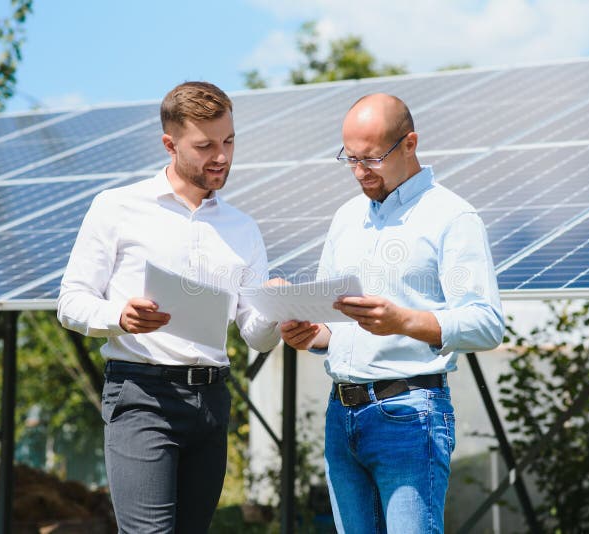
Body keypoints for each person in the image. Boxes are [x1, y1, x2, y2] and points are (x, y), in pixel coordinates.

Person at [57, 81, 281, 533]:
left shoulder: (243, 228)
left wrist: (278, 309)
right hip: (142, 396)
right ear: (169, 143)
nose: (222, 156)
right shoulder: (117, 208)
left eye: (229, 141)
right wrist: (119, 317)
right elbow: (71, 301)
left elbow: (255, 332)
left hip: (212, 401)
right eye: (205, 146)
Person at [280, 93, 504, 533]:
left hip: (409, 414)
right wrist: (308, 332)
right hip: (341, 415)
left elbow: (486, 324)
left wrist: (403, 321)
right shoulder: (346, 217)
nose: (360, 172)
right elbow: (334, 323)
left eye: (372, 159)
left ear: (409, 144)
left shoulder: (452, 217)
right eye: (350, 159)